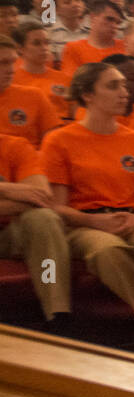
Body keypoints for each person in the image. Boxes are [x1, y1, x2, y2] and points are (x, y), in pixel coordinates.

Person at [42, 62, 134, 332]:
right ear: (88, 95)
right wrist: (96, 222)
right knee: (108, 250)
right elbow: (57, 208)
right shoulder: (59, 140)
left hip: (133, 219)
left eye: (123, 84)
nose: (124, 92)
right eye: (112, 85)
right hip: (83, 223)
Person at [0, 132, 71, 321]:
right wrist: (8, 189)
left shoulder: (14, 146)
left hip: (7, 235)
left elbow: (42, 197)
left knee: (44, 218)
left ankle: (57, 313)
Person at [0, 33, 61, 148]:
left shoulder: (34, 95)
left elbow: (53, 140)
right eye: (3, 63)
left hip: (32, 162)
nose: (11, 70)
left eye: (13, 62)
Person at [12, 22, 73, 119]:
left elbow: (75, 115)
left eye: (46, 42)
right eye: (36, 43)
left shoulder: (64, 79)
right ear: (20, 49)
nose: (44, 48)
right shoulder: (11, 80)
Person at [59, 0, 124, 72]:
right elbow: (71, 81)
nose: (114, 25)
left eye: (118, 23)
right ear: (93, 17)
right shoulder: (73, 48)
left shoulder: (125, 46)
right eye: (109, 19)